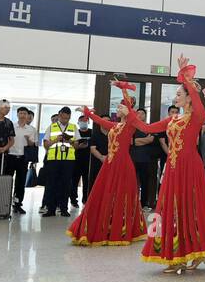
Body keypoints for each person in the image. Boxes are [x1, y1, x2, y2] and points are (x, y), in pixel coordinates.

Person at [131, 59, 205, 273]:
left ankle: (190, 253)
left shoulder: (195, 118)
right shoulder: (172, 120)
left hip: (190, 168)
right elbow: (145, 126)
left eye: (179, 94)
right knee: (167, 209)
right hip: (173, 168)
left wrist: (188, 81)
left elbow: (200, 107)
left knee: (189, 209)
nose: (175, 98)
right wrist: (129, 110)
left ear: (188, 99)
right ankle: (176, 253)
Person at [68, 84, 148, 247]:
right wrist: (88, 113)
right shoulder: (115, 125)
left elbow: (130, 111)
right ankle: (105, 227)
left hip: (123, 164)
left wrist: (124, 89)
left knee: (121, 196)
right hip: (110, 164)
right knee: (103, 194)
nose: (117, 108)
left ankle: (120, 230)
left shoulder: (130, 125)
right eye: (118, 106)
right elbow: (99, 121)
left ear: (127, 110)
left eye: (121, 106)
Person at [41, 106, 77, 217]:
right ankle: (50, 209)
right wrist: (56, 140)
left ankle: (64, 209)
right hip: (53, 160)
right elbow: (46, 145)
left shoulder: (73, 127)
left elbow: (76, 145)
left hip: (68, 161)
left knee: (66, 185)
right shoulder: (51, 127)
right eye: (64, 118)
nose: (65, 120)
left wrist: (69, 140)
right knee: (51, 184)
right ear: (59, 115)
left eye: (68, 118)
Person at [11, 106, 39, 214]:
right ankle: (6, 202)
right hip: (11, 156)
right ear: (17, 114)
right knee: (9, 180)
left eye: (25, 114)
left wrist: (29, 140)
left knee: (21, 182)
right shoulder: (11, 126)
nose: (23, 115)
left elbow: (33, 145)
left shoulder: (32, 130)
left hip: (23, 158)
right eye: (21, 113)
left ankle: (18, 204)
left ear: (28, 116)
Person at [131, 111, 158, 209]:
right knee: (132, 183)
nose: (140, 115)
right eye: (138, 113)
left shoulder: (149, 127)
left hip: (145, 159)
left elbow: (151, 140)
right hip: (133, 158)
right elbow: (131, 142)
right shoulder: (132, 127)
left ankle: (144, 204)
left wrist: (137, 141)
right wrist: (145, 140)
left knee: (145, 182)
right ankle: (131, 203)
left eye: (142, 113)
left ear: (145, 115)